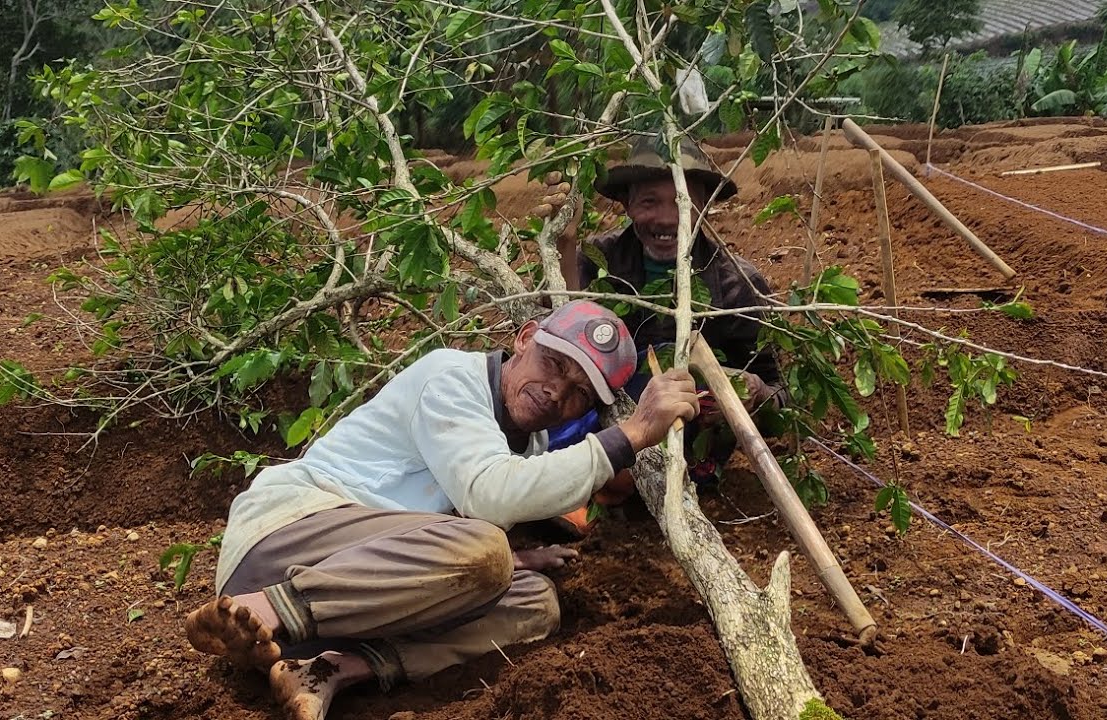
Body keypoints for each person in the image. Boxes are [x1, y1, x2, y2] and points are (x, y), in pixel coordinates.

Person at [183, 300, 700, 720]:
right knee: (486, 547)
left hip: (348, 607)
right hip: (286, 539)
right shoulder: (451, 377)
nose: (554, 391)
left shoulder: (531, 446)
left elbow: (432, 534)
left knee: (536, 602)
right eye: (553, 364)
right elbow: (488, 497)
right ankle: (262, 612)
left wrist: (511, 566)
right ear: (524, 338)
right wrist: (634, 433)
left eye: (578, 394)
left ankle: (328, 669)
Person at [544, 136, 788, 536]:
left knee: (667, 374)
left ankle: (593, 492)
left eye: (681, 202)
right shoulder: (599, 260)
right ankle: (568, 478)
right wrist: (565, 244)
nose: (666, 218)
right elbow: (559, 330)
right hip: (597, 410)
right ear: (627, 206)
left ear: (705, 207)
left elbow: (780, 395)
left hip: (682, 438)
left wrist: (750, 391)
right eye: (649, 202)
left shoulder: (738, 286)